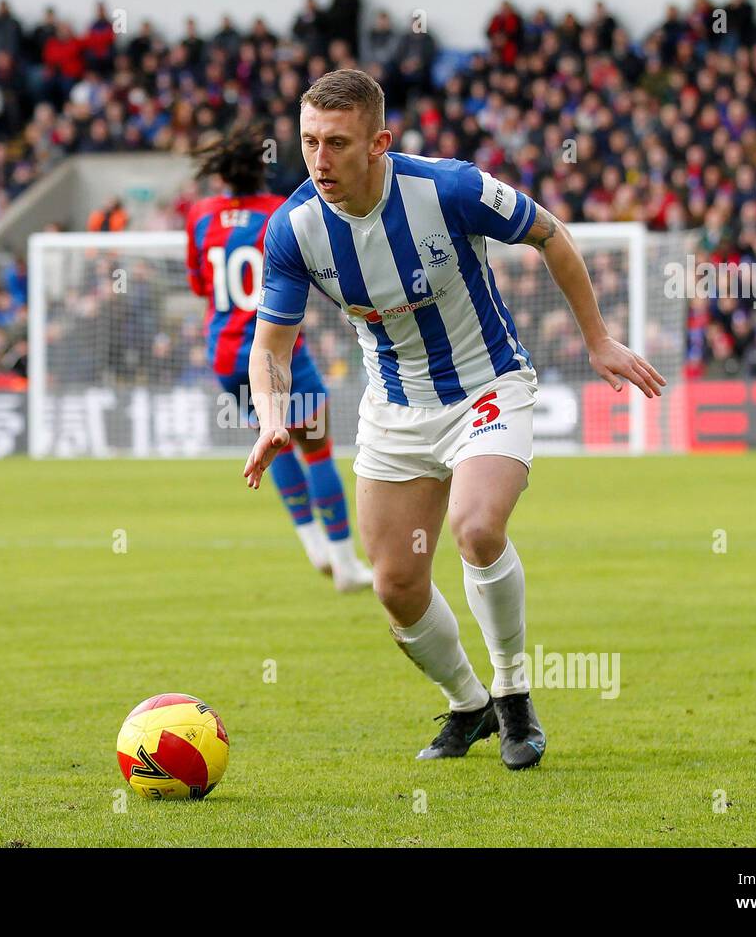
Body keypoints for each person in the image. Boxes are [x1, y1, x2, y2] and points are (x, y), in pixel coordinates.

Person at [244, 70, 665, 770]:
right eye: (309, 141)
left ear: (379, 143)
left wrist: (597, 339)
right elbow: (270, 349)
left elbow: (550, 234)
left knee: (477, 528)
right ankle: (467, 704)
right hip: (395, 409)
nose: (319, 159)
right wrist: (268, 416)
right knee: (395, 585)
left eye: (338, 143)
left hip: (487, 388)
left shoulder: (451, 189)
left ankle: (513, 695)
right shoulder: (294, 230)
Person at [187, 124, 372, 592]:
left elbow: (198, 285)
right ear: (261, 168)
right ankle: (345, 562)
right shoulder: (280, 213)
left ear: (221, 175)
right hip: (275, 354)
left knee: (272, 439)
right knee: (317, 447)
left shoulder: (201, 216)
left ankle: (311, 542)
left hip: (226, 356)